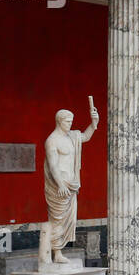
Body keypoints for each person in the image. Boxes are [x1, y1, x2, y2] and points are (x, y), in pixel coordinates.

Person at [43, 99, 98, 266]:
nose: (70, 124)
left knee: (70, 220)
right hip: (59, 187)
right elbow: (53, 165)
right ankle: (56, 252)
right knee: (57, 219)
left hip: (71, 185)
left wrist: (94, 122)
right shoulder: (52, 140)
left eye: (71, 121)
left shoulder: (72, 137)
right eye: (68, 121)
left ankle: (57, 251)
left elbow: (86, 136)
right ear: (60, 121)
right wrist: (59, 184)